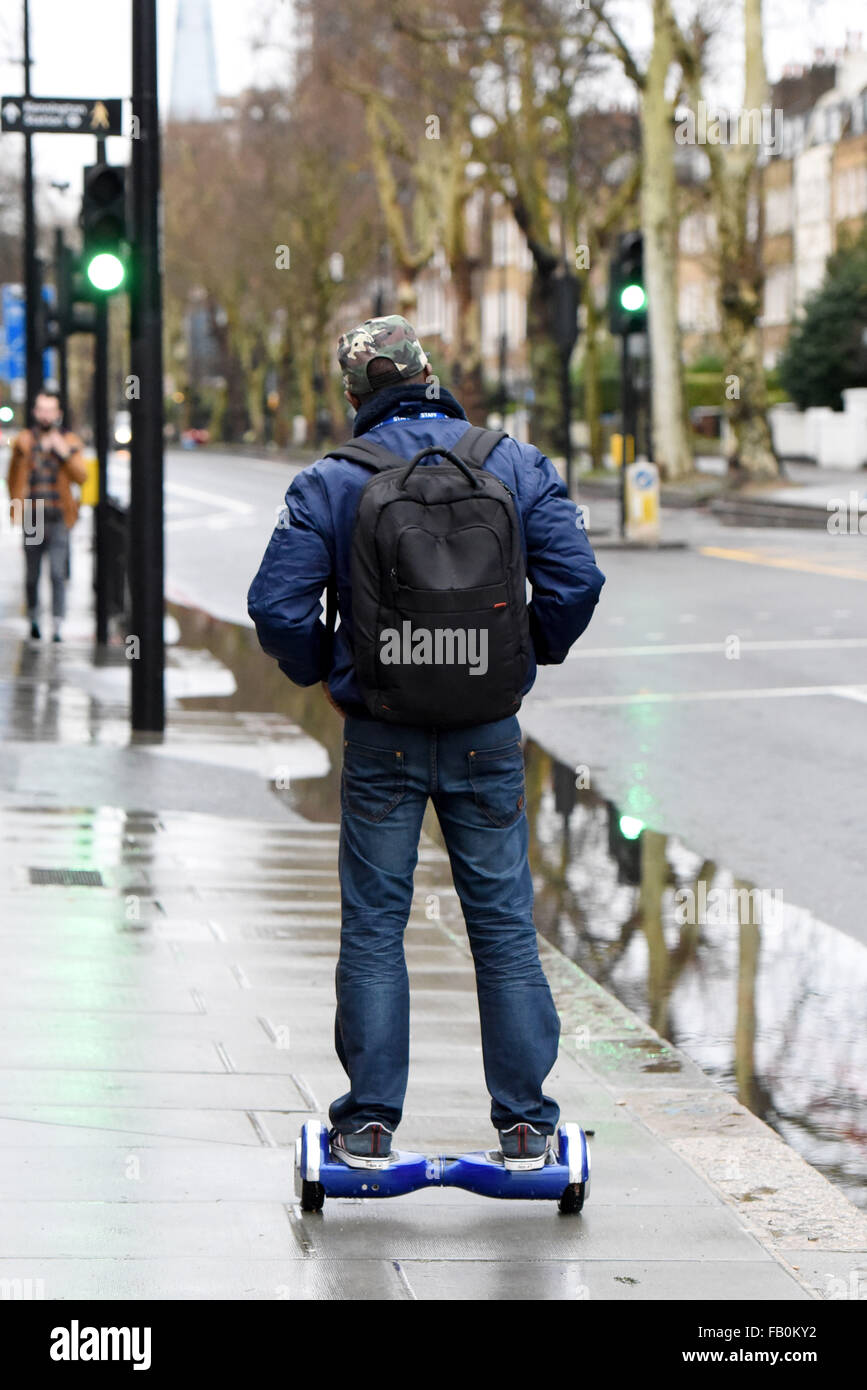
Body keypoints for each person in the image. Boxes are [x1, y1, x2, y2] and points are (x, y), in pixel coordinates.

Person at [248, 315, 606, 1172]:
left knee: (375, 926)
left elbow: (276, 609)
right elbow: (576, 580)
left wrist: (336, 678)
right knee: (503, 925)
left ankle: (368, 1126)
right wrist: (517, 656)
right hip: (487, 731)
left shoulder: (334, 480)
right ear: (430, 374)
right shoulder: (511, 463)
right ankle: (525, 1127)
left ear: (354, 395)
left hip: (384, 735)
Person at [6, 392, 87, 642]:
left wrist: (63, 452)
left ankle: (57, 622)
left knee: (56, 573)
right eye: (41, 409)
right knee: (32, 574)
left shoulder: (69, 441)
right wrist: (17, 508)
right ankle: (33, 617)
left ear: (58, 413)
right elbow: (12, 478)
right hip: (34, 517)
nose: (45, 415)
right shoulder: (24, 441)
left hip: (59, 515)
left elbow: (82, 476)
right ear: (35, 412)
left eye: (50, 410)